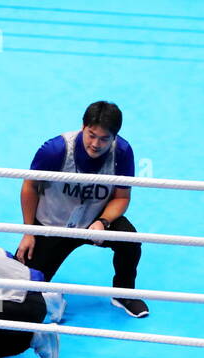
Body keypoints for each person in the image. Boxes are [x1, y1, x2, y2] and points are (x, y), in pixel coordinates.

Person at [16, 101, 148, 319]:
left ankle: (124, 293)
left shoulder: (122, 152)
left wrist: (103, 222)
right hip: (51, 225)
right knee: (22, 291)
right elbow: (29, 186)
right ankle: (51, 300)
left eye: (104, 138)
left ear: (114, 137)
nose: (96, 143)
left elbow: (122, 197)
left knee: (130, 241)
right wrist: (29, 231)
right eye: (91, 135)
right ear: (83, 126)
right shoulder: (55, 150)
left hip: (93, 220)